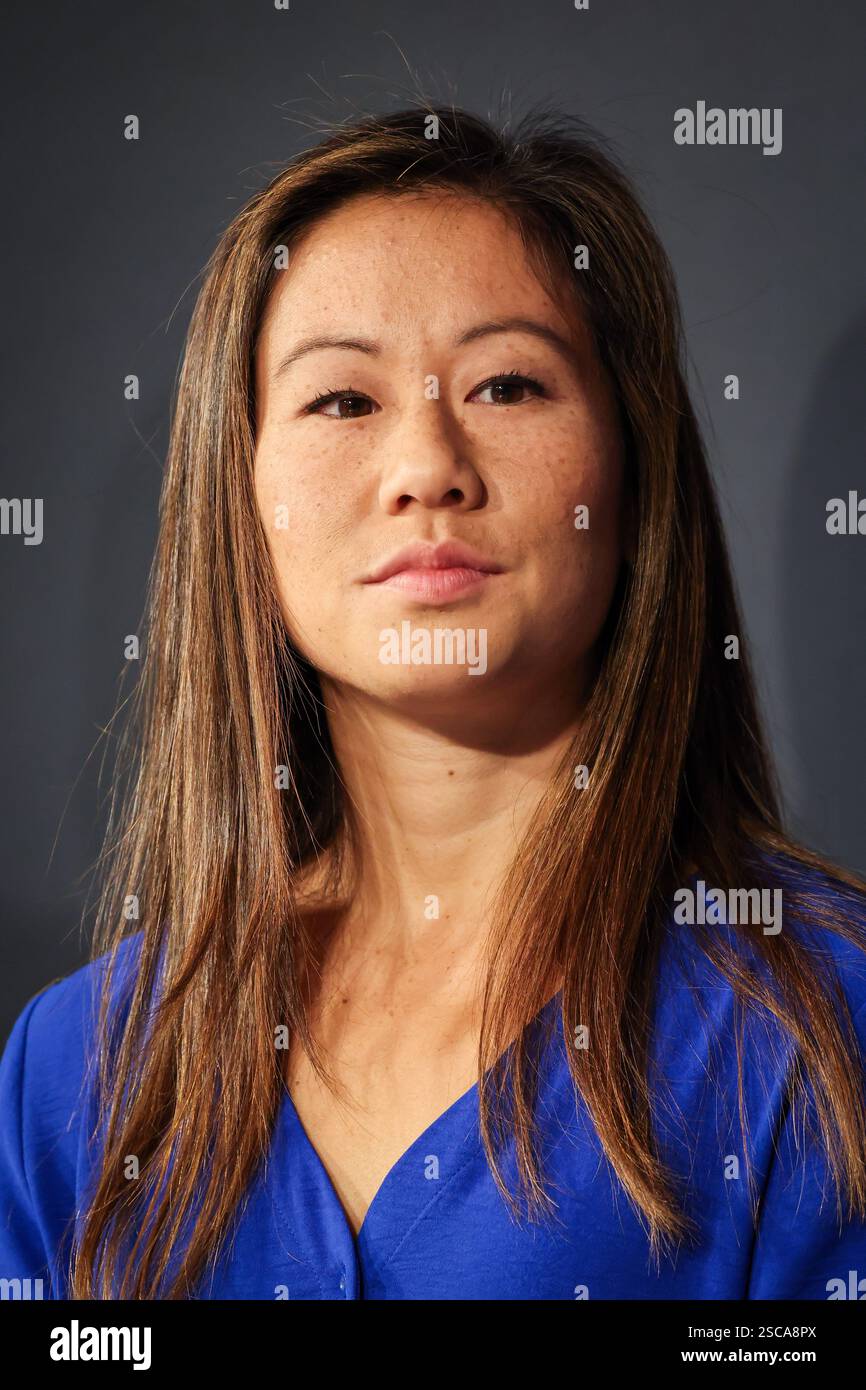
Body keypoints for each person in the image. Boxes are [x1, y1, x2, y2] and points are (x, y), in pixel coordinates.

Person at [1, 104, 865, 1301]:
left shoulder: (825, 1019)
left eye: (507, 385)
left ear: (629, 478)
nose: (426, 469)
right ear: (237, 502)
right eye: (341, 401)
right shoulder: (69, 1069)